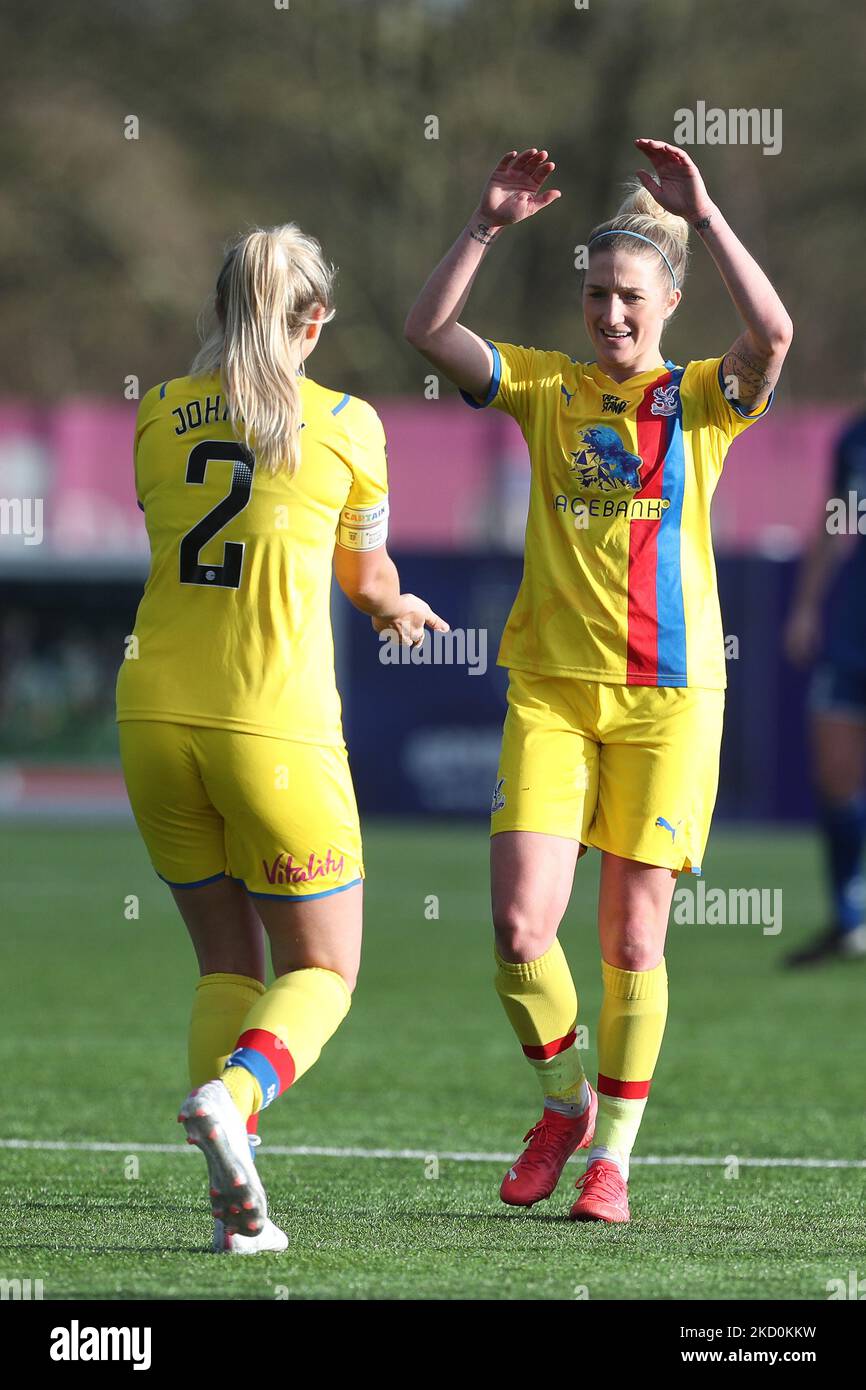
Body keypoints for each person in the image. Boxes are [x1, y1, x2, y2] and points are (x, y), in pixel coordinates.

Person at [405, 142, 792, 1223]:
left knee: (631, 940)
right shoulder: (542, 385)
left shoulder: (701, 399)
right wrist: (483, 226)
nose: (609, 313)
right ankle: (561, 1101)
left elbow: (771, 335)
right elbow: (427, 334)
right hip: (551, 692)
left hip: (669, 700)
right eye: (594, 295)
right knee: (521, 930)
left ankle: (610, 1158)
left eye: (628, 295)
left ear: (666, 300)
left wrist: (705, 219)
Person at [116, 224, 446, 1253]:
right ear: (316, 321)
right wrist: (394, 609)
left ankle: (235, 1198)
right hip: (274, 725)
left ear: (218, 309)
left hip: (153, 716)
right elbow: (366, 574)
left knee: (225, 961)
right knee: (325, 969)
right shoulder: (346, 423)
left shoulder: (158, 414)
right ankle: (234, 1099)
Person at [783, 401, 866, 964]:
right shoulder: (855, 437)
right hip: (852, 626)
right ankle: (849, 919)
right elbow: (836, 521)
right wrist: (807, 606)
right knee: (834, 768)